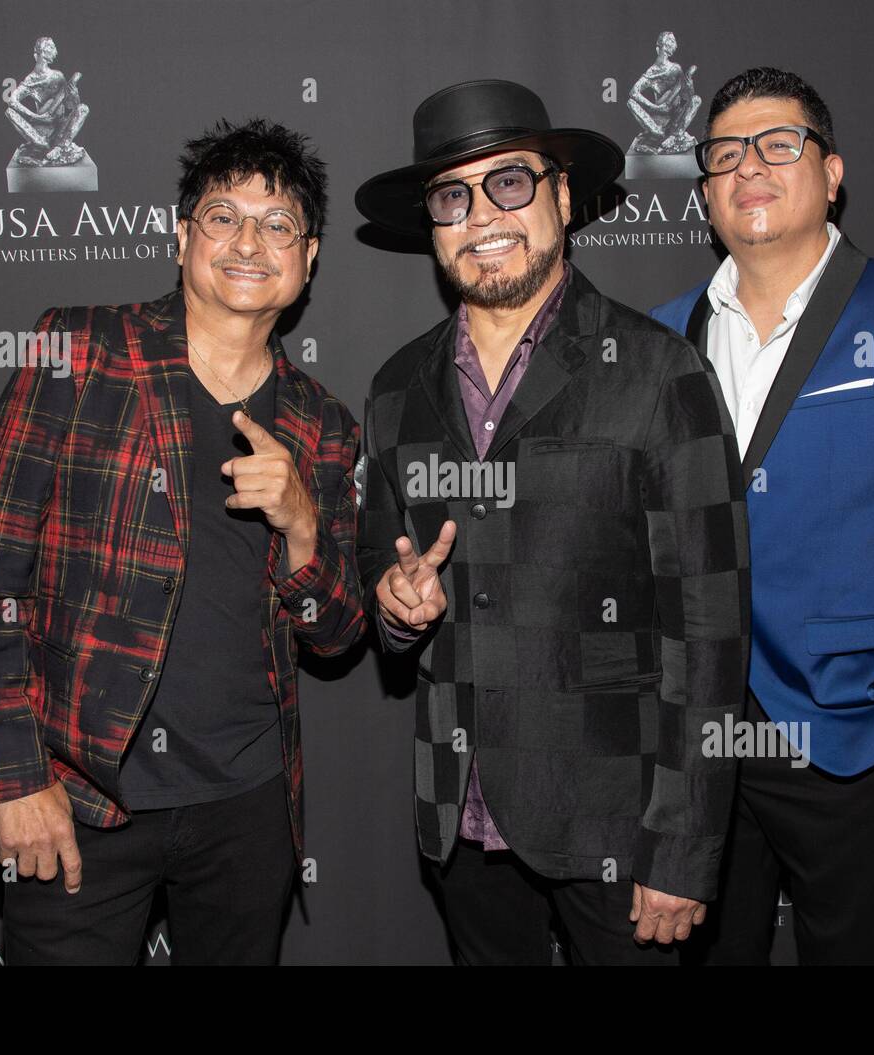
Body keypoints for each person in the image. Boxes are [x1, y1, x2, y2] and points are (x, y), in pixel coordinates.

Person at [0, 117, 365, 965]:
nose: (251, 240)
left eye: (279, 223)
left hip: (247, 810)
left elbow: (338, 632)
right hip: (82, 797)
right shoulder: (79, 350)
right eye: (224, 216)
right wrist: (15, 779)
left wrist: (301, 526)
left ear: (309, 257)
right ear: (182, 236)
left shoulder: (322, 423)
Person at [354, 79, 750, 964]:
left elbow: (710, 628)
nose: (482, 214)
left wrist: (683, 845)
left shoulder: (657, 372)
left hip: (620, 823)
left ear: (563, 196)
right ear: (431, 221)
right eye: (453, 194)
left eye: (510, 182)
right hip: (460, 815)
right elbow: (381, 572)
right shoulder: (395, 388)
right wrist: (394, 604)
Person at [650, 67, 874, 964]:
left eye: (781, 145)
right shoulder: (662, 339)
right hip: (701, 746)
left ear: (833, 172)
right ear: (704, 191)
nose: (751, 167)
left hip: (851, 737)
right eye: (726, 153)